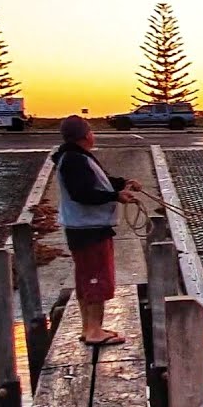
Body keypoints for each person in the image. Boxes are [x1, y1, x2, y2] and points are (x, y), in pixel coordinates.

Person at [54, 115, 141, 345]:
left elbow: (97, 183)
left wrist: (123, 183)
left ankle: (89, 328)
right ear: (84, 135)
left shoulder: (76, 157)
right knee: (95, 278)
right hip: (88, 228)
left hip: (86, 227)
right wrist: (116, 197)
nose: (93, 134)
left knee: (86, 279)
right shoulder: (74, 159)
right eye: (90, 131)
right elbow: (83, 194)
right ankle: (94, 331)